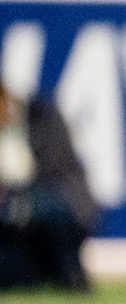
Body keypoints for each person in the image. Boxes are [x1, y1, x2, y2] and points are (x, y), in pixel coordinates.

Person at [0, 84, 96, 292]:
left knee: (48, 208)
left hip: (47, 217)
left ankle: (72, 277)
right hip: (12, 240)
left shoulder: (41, 118)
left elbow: (63, 185)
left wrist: (19, 200)